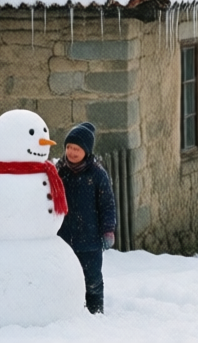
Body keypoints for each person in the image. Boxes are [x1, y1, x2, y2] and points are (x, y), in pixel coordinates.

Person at [56, 122, 118, 315]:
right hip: (64, 238)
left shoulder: (97, 174)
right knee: (65, 278)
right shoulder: (59, 171)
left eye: (77, 149)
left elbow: (107, 204)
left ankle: (95, 311)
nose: (72, 152)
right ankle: (70, 311)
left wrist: (108, 230)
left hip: (90, 240)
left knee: (91, 279)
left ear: (87, 151)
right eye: (69, 148)